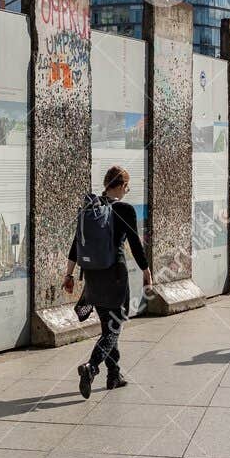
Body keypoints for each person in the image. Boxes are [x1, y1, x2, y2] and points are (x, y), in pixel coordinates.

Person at [63, 165, 151, 399]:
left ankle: (114, 375)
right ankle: (91, 368)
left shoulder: (91, 208)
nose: (126, 191)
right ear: (121, 185)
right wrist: (146, 270)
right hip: (115, 274)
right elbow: (135, 243)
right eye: (127, 187)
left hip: (92, 274)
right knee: (115, 326)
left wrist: (69, 274)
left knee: (107, 325)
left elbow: (76, 244)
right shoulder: (124, 209)